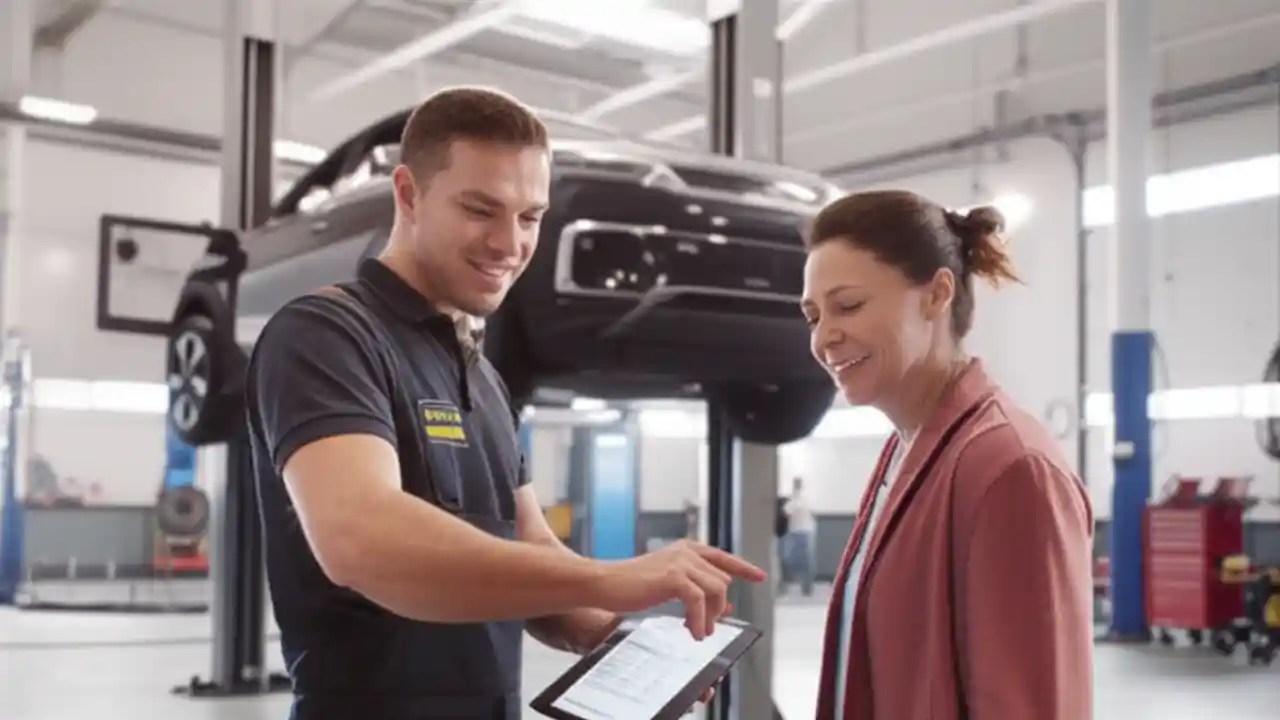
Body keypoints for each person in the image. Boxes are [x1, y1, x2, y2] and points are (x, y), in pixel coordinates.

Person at [244, 86, 766, 720]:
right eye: (480, 209)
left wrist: (628, 643)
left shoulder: (480, 375)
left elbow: (536, 557)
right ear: (407, 193)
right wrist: (611, 576)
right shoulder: (326, 336)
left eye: (529, 217)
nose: (508, 243)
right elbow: (361, 537)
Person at [800, 190, 1093, 719]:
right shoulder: (904, 453)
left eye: (848, 306)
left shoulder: (1010, 469)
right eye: (813, 316)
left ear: (936, 295)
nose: (825, 337)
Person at [780, 476, 816, 596]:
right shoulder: (806, 499)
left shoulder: (795, 500)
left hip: (797, 531)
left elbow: (786, 512)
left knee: (790, 558)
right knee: (806, 561)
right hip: (807, 531)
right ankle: (807, 587)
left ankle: (790, 586)